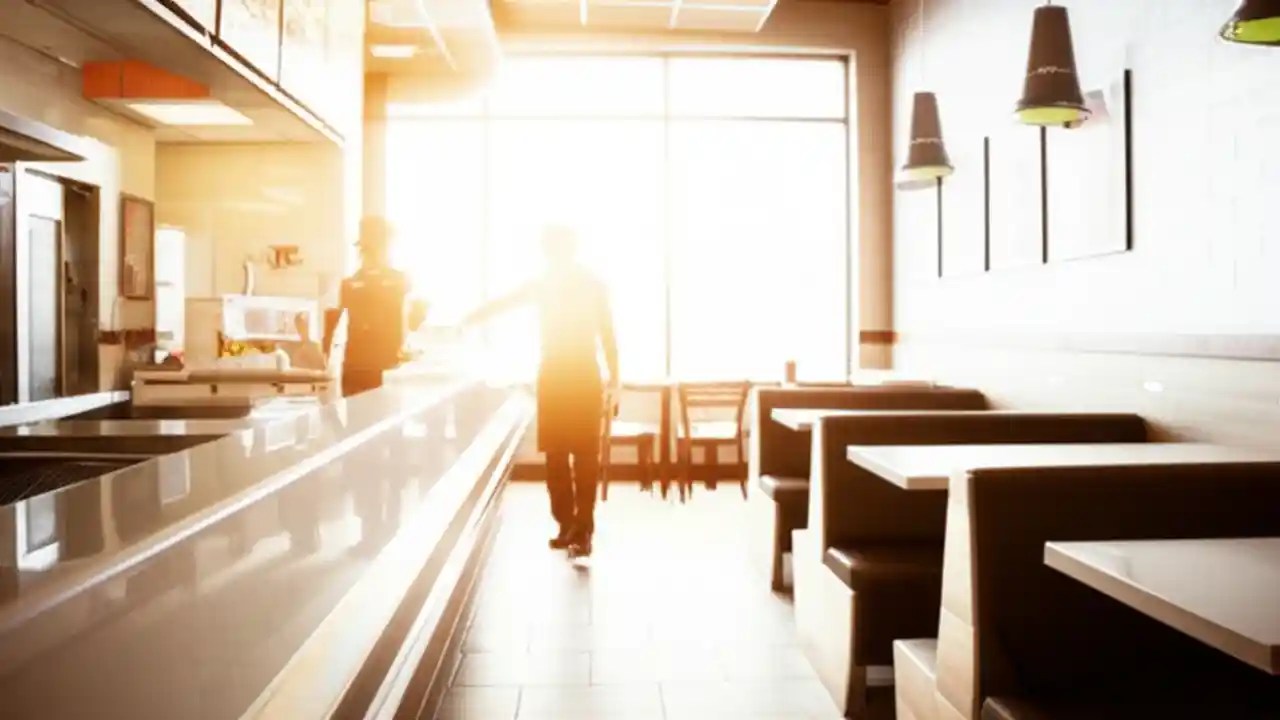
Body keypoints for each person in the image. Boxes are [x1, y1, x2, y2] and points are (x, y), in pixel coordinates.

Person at [464, 225, 618, 558]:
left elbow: (607, 333)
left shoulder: (578, 284)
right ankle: (571, 528)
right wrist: (473, 317)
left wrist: (616, 381)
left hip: (569, 375)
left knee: (571, 455)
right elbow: (506, 302)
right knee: (564, 455)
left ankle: (578, 528)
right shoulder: (565, 283)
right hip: (566, 375)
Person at [336, 217, 427, 397]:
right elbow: (401, 323)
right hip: (382, 365)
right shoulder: (397, 280)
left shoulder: (351, 283)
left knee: (361, 421)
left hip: (358, 366)